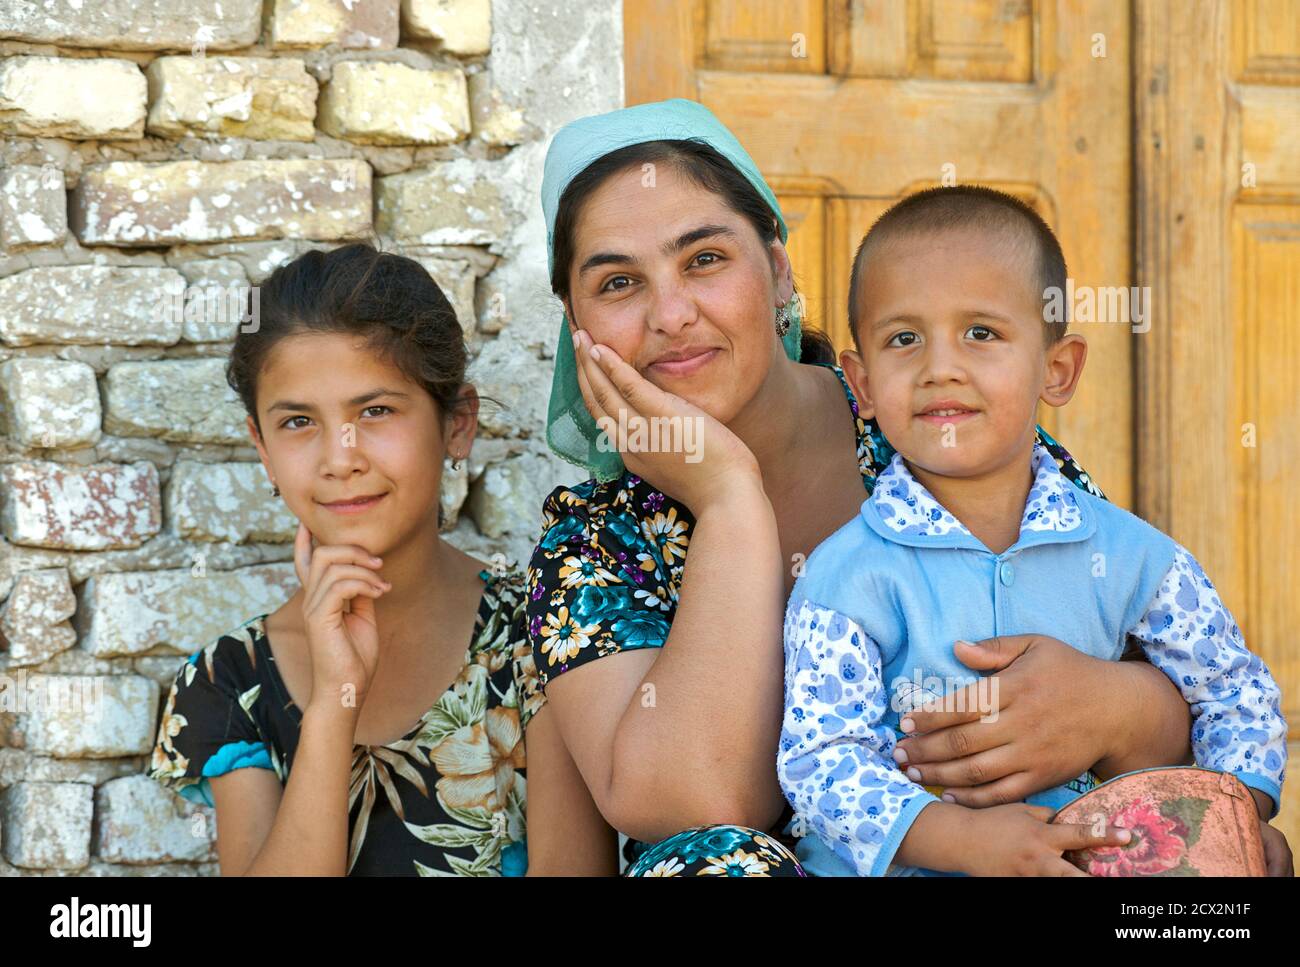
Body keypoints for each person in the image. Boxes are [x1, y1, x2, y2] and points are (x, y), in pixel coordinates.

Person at [524, 98, 1200, 877]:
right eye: (617, 283)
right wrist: (728, 498)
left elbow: (1188, 691)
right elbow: (702, 809)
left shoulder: (932, 426)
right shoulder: (593, 551)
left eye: (704, 260)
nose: (671, 314)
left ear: (777, 271)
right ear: (575, 322)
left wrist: (1110, 706)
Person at [778, 185, 1290, 876]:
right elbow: (820, 761)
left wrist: (1234, 813)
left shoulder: (1137, 559)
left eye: (981, 333)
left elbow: (1234, 692)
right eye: (905, 339)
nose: (940, 368)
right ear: (862, 384)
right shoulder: (846, 577)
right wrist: (963, 840)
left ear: (1058, 368)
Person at [147, 243, 618, 875]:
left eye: (375, 411)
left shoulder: (545, 633)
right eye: (297, 422)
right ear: (261, 446)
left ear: (456, 423)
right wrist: (336, 704)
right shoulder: (230, 680)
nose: (340, 457)